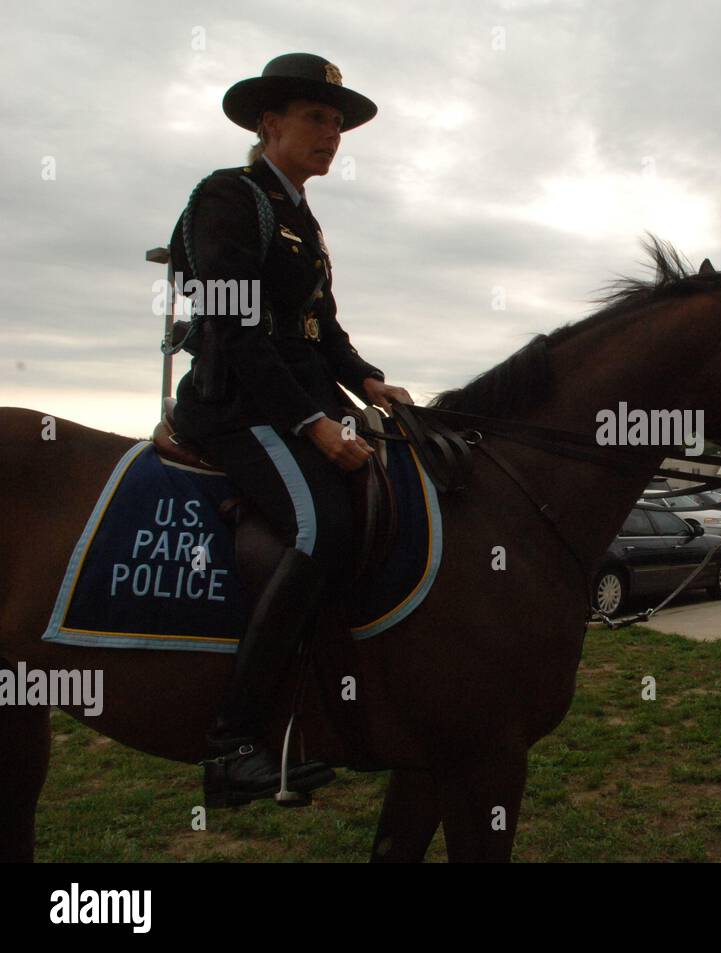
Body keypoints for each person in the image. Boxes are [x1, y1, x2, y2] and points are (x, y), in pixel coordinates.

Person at [168, 53, 412, 807]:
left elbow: (321, 330)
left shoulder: (303, 219)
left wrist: (368, 379)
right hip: (236, 403)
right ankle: (234, 744)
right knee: (321, 526)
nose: (332, 134)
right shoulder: (230, 199)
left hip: (294, 395)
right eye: (316, 118)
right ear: (269, 124)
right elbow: (238, 330)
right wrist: (313, 426)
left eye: (337, 123)